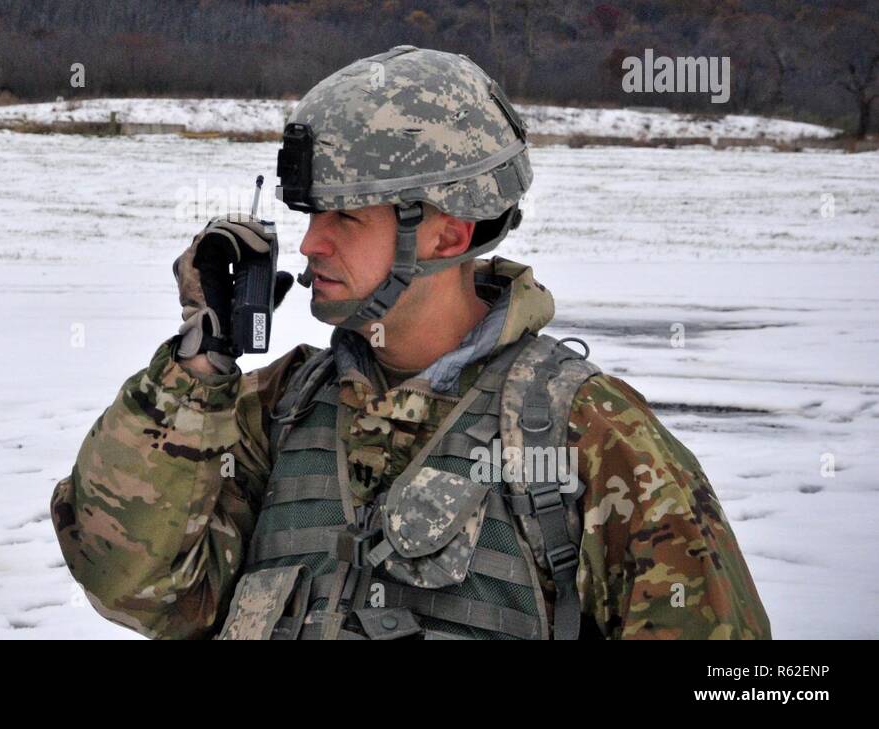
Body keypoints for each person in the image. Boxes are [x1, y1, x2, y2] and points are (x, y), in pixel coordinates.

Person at [50, 45, 771, 640]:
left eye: (344, 218)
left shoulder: (597, 441)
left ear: (448, 232)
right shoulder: (276, 412)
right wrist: (198, 363)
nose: (310, 243)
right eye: (309, 214)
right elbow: (135, 584)